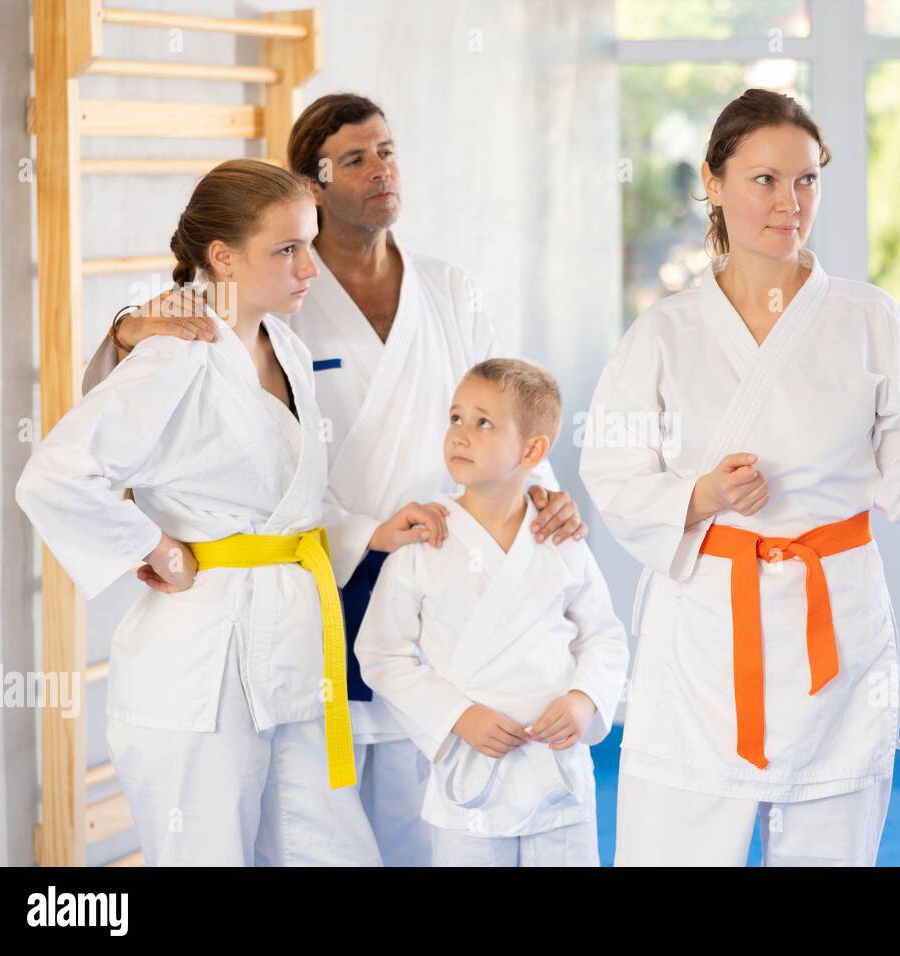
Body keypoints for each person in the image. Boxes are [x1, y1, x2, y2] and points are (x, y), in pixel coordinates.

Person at [80, 94, 586, 865]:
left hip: (446, 560)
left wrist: (535, 488)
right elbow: (142, 377)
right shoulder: (280, 298)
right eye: (355, 158)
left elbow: (504, 405)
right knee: (343, 796)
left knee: (434, 791)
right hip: (330, 570)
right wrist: (123, 327)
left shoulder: (446, 288)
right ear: (311, 185)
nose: (381, 169)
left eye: (388, 150)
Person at [580, 89, 900, 866]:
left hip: (831, 620)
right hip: (704, 624)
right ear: (712, 180)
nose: (788, 203)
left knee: (829, 842)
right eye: (764, 180)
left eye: (806, 180)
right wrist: (702, 495)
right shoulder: (663, 333)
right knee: (676, 840)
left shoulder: (873, 319)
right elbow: (611, 467)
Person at [16, 160, 381, 866]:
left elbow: (286, 504)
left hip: (294, 648)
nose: (310, 267)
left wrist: (370, 531)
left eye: (311, 242)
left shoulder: (291, 348)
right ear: (222, 257)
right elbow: (55, 475)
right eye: (287, 249)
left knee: (335, 854)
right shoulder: (178, 355)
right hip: (200, 660)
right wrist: (150, 544)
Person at [355, 359, 628, 866]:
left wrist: (584, 701)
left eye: (483, 423)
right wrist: (457, 716)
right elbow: (380, 652)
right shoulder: (424, 541)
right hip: (473, 776)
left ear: (532, 450)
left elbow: (603, 636)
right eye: (455, 418)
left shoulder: (559, 538)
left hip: (557, 777)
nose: (460, 434)